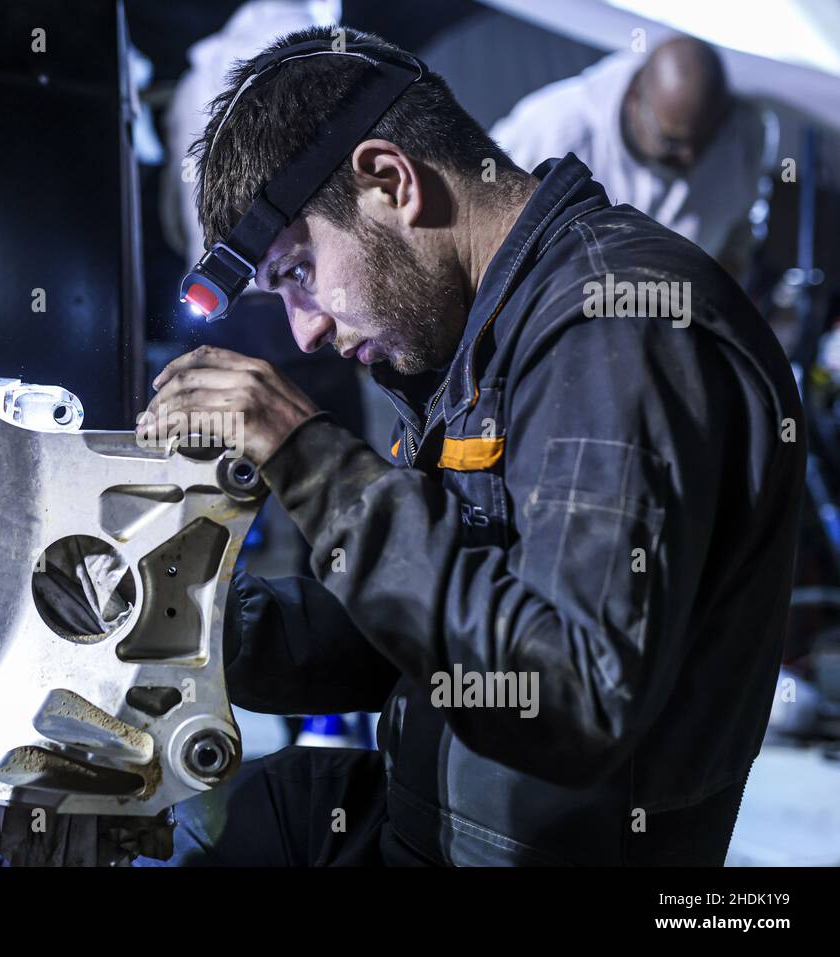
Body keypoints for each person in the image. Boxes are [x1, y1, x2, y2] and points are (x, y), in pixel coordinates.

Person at [135, 26, 804, 866]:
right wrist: (180, 628)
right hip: (432, 821)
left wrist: (311, 458)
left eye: (299, 270)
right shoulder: (491, 338)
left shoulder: (617, 325)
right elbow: (432, 629)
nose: (303, 333)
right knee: (228, 819)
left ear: (390, 180)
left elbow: (567, 690)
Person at [489, 35, 765, 268]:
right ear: (634, 100)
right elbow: (483, 222)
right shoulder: (550, 130)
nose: (689, 157)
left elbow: (737, 239)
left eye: (705, 142)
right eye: (672, 142)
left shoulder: (743, 131)